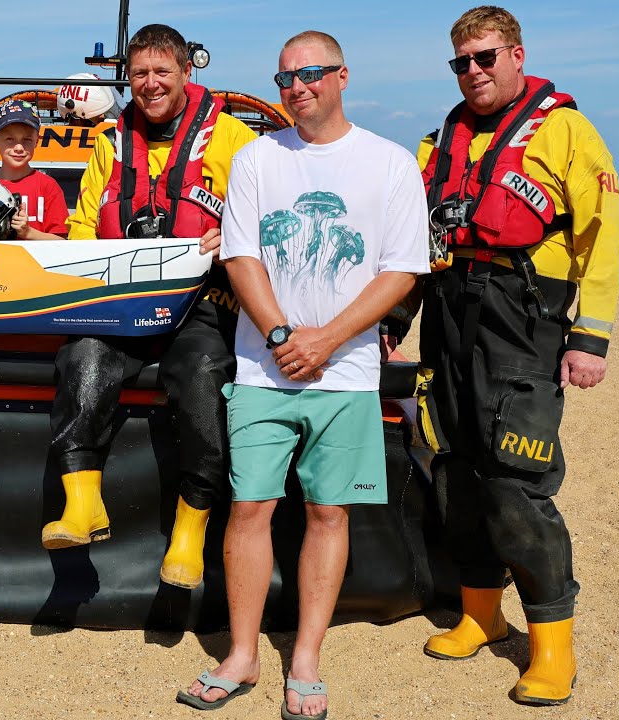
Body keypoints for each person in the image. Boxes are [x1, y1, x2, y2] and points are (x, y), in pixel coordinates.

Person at [179, 31, 428, 718]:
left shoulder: (389, 163)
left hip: (345, 374)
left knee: (327, 512)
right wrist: (285, 336)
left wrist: (328, 340)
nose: (298, 87)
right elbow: (242, 257)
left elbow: (401, 269)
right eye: (287, 77)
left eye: (313, 74)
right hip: (264, 368)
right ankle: (243, 653)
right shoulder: (259, 158)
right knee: (250, 507)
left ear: (342, 75)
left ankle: (308, 658)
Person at [407, 6, 619, 706]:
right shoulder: (439, 139)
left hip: (522, 320)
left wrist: (591, 338)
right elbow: (414, 244)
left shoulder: (565, 129)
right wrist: (396, 318)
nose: (473, 71)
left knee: (514, 481)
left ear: (517, 55)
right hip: (446, 313)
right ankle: (480, 615)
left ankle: (552, 645)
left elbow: (603, 235)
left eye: (486, 57)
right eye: (461, 61)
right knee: (454, 470)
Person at [45, 23, 257, 591]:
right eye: (139, 74)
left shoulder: (236, 141)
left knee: (202, 378)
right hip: (119, 301)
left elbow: (260, 224)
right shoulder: (109, 141)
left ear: (188, 72)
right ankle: (82, 501)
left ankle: (190, 528)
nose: (151, 83)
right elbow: (86, 222)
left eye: (163, 72)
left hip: (202, 303)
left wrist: (229, 243)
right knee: (81, 358)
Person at [0, 99, 68, 239]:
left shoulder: (48, 186)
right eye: (10, 139)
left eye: (27, 140)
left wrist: (29, 233)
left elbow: (61, 241)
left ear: (37, 141)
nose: (19, 148)